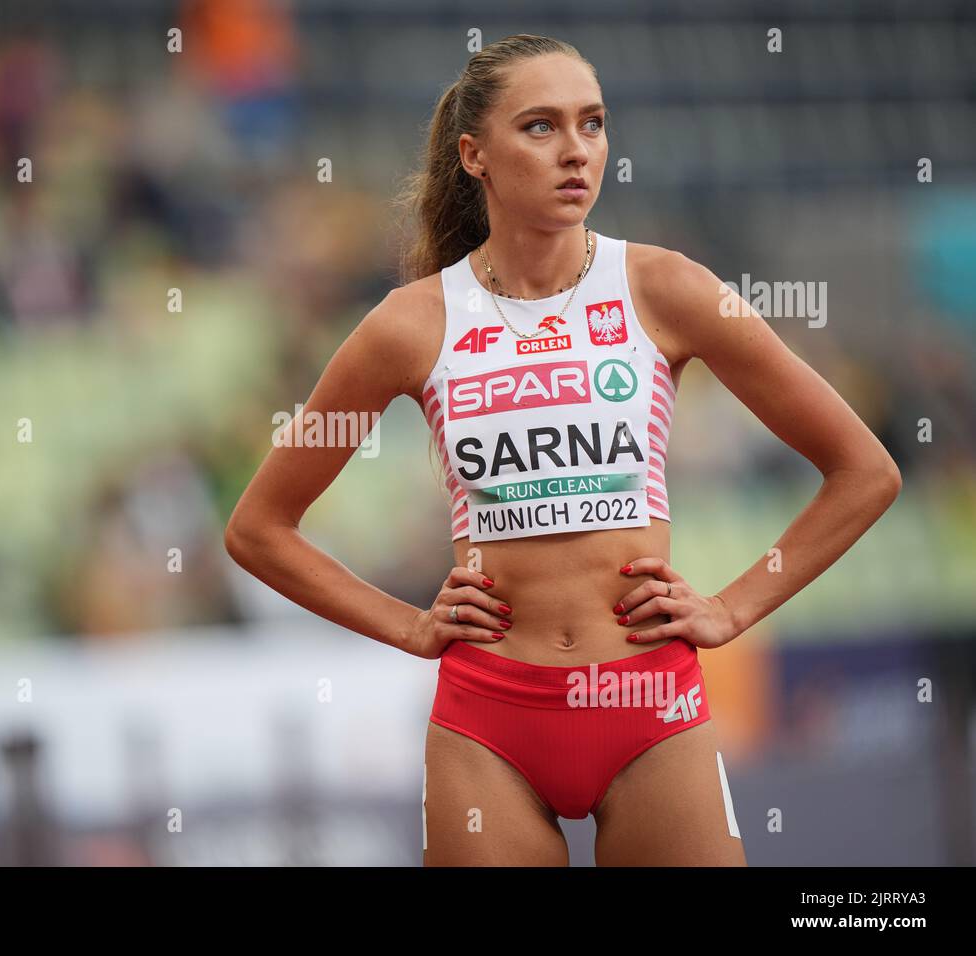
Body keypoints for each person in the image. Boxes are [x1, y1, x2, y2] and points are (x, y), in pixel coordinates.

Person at [224, 34, 901, 866]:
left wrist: (732, 608)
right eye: (541, 128)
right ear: (475, 154)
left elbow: (864, 471)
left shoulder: (667, 288)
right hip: (489, 723)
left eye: (593, 123)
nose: (577, 151)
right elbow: (258, 529)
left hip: (648, 704)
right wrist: (408, 626)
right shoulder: (410, 323)